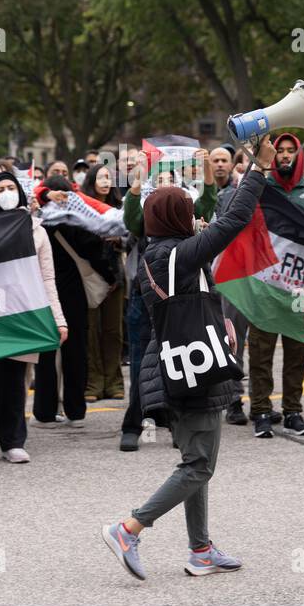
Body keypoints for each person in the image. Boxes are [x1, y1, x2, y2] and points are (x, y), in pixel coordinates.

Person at [102, 136, 273, 582]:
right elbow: (232, 221)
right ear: (176, 219)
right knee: (199, 464)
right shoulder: (175, 255)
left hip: (180, 363)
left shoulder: (160, 254)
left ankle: (201, 550)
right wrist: (259, 169)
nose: (197, 216)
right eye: (187, 210)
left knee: (195, 461)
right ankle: (129, 529)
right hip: (193, 368)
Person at [0, 173, 67, 463]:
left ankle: (13, 440)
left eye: (10, 188)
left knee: (14, 380)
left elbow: (47, 279)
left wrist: (58, 319)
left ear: (20, 192)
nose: (6, 193)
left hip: (22, 314)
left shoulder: (37, 230)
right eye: (0, 189)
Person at [120, 150, 221, 447]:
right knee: (142, 363)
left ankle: (177, 423)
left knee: (180, 359)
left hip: (182, 298)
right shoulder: (146, 211)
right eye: (159, 180)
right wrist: (138, 175)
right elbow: (131, 218)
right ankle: (134, 424)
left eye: (170, 180)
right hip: (146, 299)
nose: (165, 184)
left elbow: (208, 201)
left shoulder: (187, 214)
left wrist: (205, 166)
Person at [247, 132, 304, 438]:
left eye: (291, 150)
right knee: (261, 351)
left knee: (297, 350)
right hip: (265, 285)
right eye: (280, 150)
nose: (286, 155)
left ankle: (292, 411)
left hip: (300, 287)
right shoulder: (259, 188)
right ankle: (262, 411)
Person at [32, 175, 105, 429]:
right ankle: (76, 411)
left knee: (45, 353)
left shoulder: (38, 224)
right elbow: (97, 251)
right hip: (74, 291)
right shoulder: (80, 221)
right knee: (76, 352)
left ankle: (44, 412)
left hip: (41, 291)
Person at [80, 163, 126, 401]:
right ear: (91, 181)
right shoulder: (82, 208)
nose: (106, 181)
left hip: (116, 277)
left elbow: (133, 238)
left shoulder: (119, 208)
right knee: (91, 332)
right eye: (101, 177)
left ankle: (114, 382)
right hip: (90, 277)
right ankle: (94, 383)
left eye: (109, 177)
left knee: (113, 331)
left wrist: (120, 239)